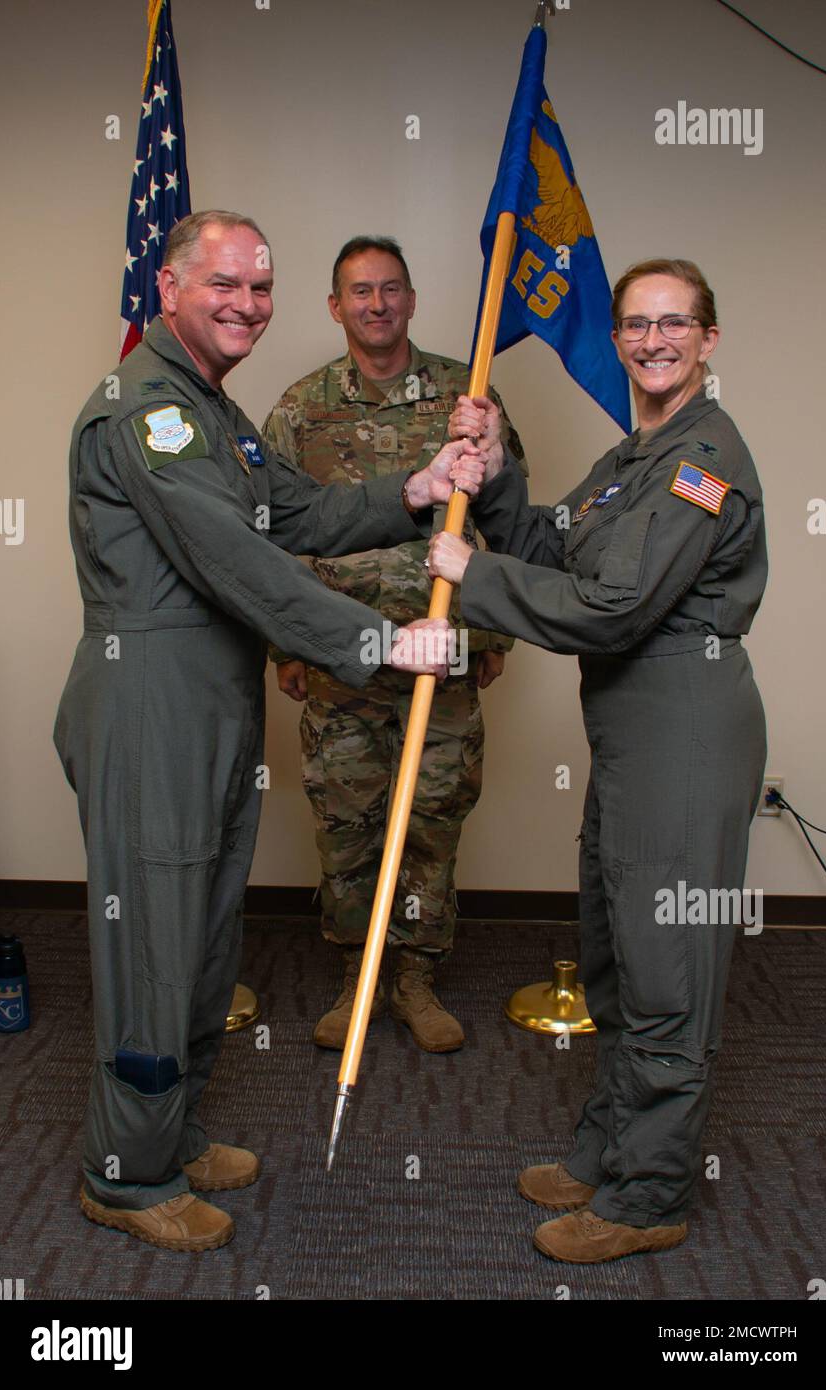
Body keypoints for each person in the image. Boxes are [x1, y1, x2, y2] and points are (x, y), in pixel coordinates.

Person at [53, 210, 486, 1253]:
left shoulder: (213, 408)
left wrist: (416, 489)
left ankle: (169, 1128)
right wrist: (381, 642)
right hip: (151, 701)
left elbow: (292, 511)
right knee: (154, 942)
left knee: (203, 934)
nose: (247, 305)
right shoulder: (147, 409)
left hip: (210, 697)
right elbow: (234, 559)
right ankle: (126, 1174)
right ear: (168, 289)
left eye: (261, 287)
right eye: (224, 285)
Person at [428, 258, 767, 1263]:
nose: (652, 340)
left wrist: (472, 577)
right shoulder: (635, 455)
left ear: (708, 339)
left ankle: (649, 1197)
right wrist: (497, 468)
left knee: (667, 974)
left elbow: (616, 608)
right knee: (617, 956)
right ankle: (609, 1153)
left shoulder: (704, 461)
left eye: (674, 322)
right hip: (627, 733)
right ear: (615, 338)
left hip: (683, 730)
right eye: (635, 323)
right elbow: (552, 543)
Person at [261, 236, 527, 1053]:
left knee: (432, 820)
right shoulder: (300, 410)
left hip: (442, 657)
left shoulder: (466, 397)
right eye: (359, 291)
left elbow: (505, 515)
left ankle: (414, 976)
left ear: (411, 299)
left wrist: (493, 633)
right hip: (342, 662)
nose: (376, 304)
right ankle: (359, 973)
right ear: (334, 306)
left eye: (390, 289)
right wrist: (287, 648)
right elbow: (270, 534)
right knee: (348, 824)